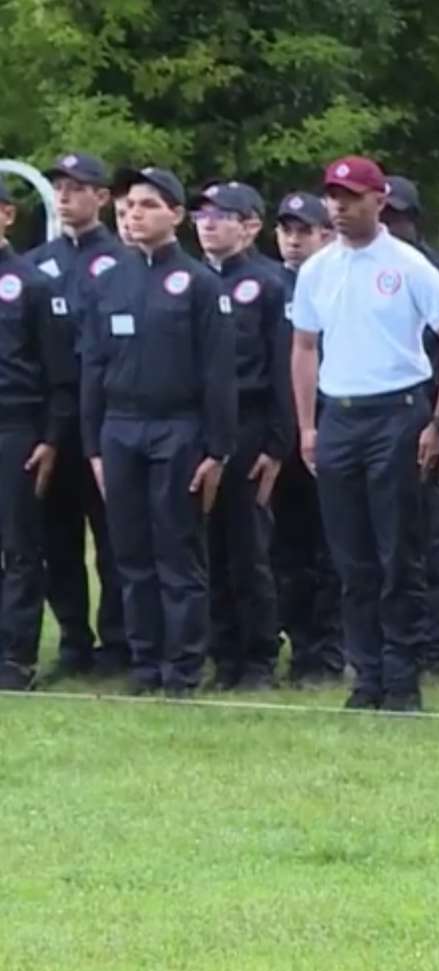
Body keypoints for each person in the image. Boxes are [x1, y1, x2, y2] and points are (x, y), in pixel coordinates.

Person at [289, 155, 439, 713]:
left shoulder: (408, 264)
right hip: (339, 415)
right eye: (333, 198)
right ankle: (364, 673)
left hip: (397, 413)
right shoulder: (317, 269)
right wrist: (307, 425)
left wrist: (438, 422)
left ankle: (401, 676)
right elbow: (303, 345)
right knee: (351, 556)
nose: (340, 208)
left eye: (351, 198)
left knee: (399, 552)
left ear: (379, 201)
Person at [80, 167, 236, 698]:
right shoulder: (110, 280)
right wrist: (92, 446)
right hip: (120, 430)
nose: (133, 216)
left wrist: (217, 450)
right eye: (126, 208)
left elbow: (219, 375)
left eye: (146, 205)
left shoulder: (199, 283)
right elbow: (93, 369)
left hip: (179, 428)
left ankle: (183, 668)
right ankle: (144, 663)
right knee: (130, 553)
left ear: (175, 214)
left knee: (177, 551)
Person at [26, 151, 127, 680]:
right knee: (54, 540)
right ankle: (72, 639)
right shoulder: (37, 262)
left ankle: (117, 641)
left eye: (77, 187)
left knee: (112, 539)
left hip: (106, 417)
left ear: (102, 197)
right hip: (50, 420)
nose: (65, 196)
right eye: (59, 187)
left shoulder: (120, 261)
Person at [194, 181, 293, 690]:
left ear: (251, 225)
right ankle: (222, 650)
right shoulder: (191, 282)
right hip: (201, 426)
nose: (208, 223)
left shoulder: (270, 284)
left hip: (252, 423)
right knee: (206, 545)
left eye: (222, 215)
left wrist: (278, 444)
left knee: (249, 546)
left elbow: (283, 369)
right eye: (203, 214)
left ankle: (258, 657)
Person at [383, 175, 439, 676]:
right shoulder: (362, 267)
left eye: (396, 216)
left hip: (429, 420)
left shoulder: (438, 273)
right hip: (377, 425)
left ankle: (432, 645)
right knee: (383, 544)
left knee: (431, 543)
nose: (389, 225)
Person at [0, 180, 73, 691]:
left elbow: (59, 376)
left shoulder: (32, 284)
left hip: (15, 427)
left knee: (19, 547)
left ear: (6, 216)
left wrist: (50, 438)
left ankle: (15, 656)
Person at [269, 191, 345, 682]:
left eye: (305, 231)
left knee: (331, 548)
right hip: (281, 435)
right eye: (287, 230)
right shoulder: (265, 286)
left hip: (332, 428)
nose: (294, 240)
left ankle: (329, 650)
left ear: (327, 235)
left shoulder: (340, 282)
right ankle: (298, 644)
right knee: (285, 548)